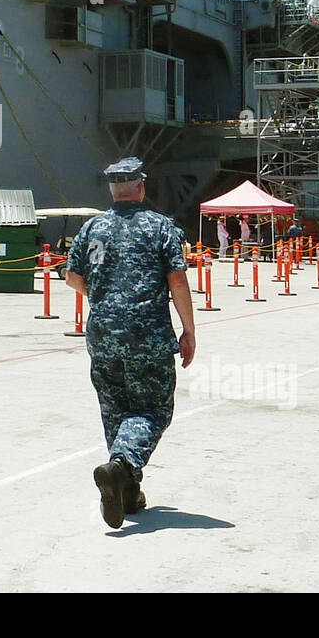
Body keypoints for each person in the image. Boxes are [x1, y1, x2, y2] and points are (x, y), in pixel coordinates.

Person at [65, 158, 196, 529]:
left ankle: (126, 491)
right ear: (141, 186)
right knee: (153, 411)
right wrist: (188, 330)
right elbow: (178, 281)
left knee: (115, 411)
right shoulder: (160, 227)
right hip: (147, 336)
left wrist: (104, 297)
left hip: (103, 334)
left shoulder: (91, 228)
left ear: (112, 189)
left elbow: (72, 276)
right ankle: (121, 466)